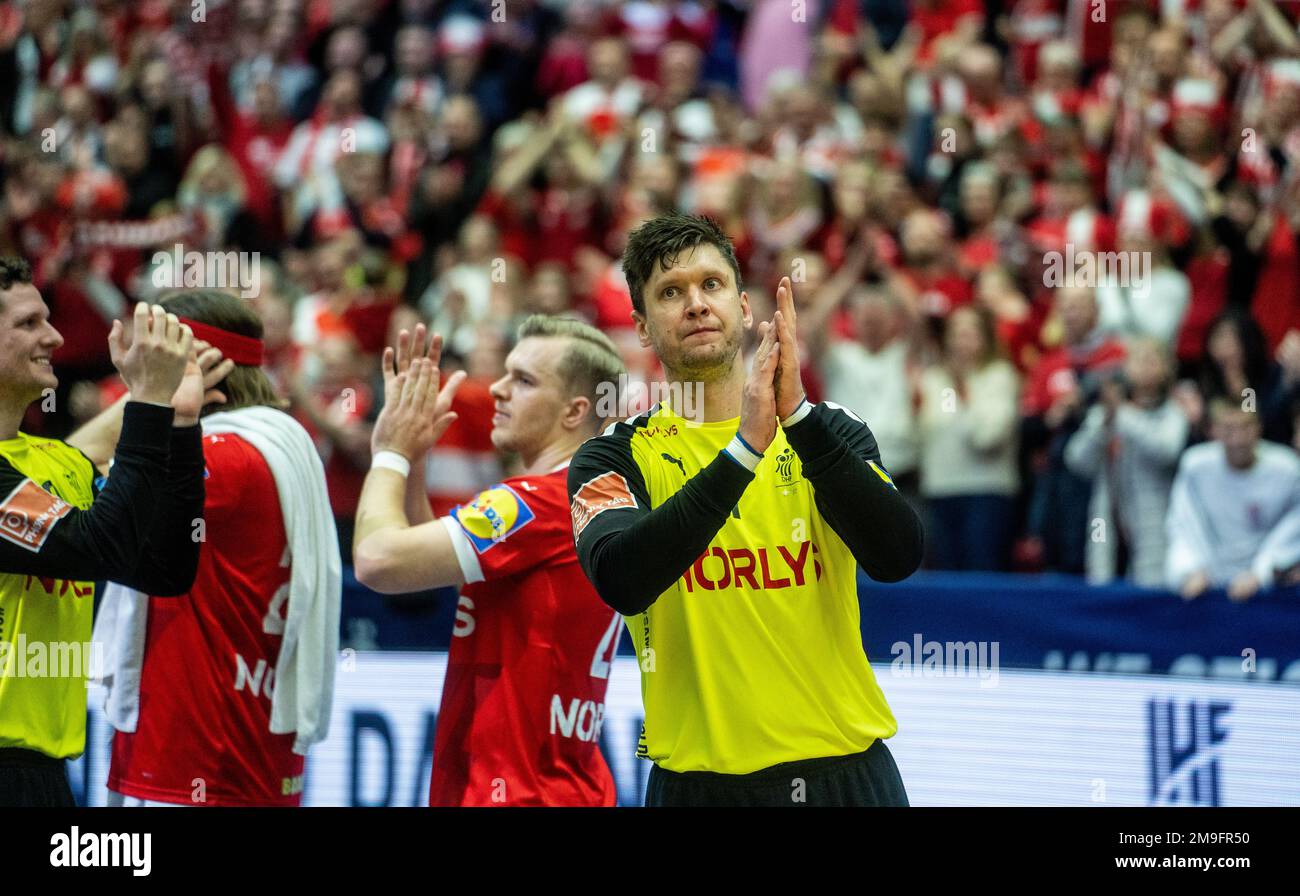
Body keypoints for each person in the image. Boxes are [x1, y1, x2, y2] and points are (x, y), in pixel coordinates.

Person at [567, 213, 923, 807]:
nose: (696, 304)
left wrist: (799, 421)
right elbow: (622, 578)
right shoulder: (612, 456)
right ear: (643, 329)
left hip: (848, 778)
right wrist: (744, 451)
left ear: (744, 304)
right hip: (698, 789)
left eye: (711, 285)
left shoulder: (830, 431)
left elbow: (898, 556)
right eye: (671, 293)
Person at [75, 289, 341, 806]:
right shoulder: (272, 444)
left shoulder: (223, 458)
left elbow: (66, 482)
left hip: (196, 754)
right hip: (245, 747)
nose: (134, 366)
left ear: (192, 364)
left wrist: (146, 402)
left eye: (151, 356)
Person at [353, 317, 626, 807]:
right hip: (558, 787)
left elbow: (378, 560)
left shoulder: (537, 503)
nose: (497, 389)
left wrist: (389, 453)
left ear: (574, 411)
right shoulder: (583, 495)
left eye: (523, 380)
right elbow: (429, 565)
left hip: (520, 793)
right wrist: (415, 458)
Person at [0, 256, 203, 807]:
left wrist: (179, 424)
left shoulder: (57, 461)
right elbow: (97, 547)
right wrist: (145, 403)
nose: (55, 336)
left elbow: (164, 567)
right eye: (27, 324)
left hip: (45, 773)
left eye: (47, 318)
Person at [1064, 339, 1189, 588]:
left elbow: (1167, 451)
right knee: (1101, 582)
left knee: (1152, 587)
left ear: (1166, 369)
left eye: (1151, 360)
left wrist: (1122, 416)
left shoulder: (1172, 412)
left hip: (1155, 515)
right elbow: (1076, 461)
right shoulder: (1106, 414)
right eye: (1136, 360)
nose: (1143, 367)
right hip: (1104, 517)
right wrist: (1103, 427)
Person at [916, 305, 1021, 571]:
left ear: (985, 338)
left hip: (986, 492)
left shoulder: (999, 377)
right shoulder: (934, 379)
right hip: (940, 490)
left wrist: (962, 391)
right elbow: (927, 434)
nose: (961, 341)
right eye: (956, 333)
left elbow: (987, 438)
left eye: (970, 333)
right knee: (946, 579)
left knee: (982, 574)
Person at [1165, 398, 1300, 602]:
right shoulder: (1195, 466)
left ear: (1259, 428)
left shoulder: (1287, 469)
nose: (1238, 439)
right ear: (1213, 431)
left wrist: (1262, 572)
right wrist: (1190, 568)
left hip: (1269, 587)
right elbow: (1183, 523)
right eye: (1228, 430)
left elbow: (1294, 527)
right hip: (1208, 583)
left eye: (1245, 428)